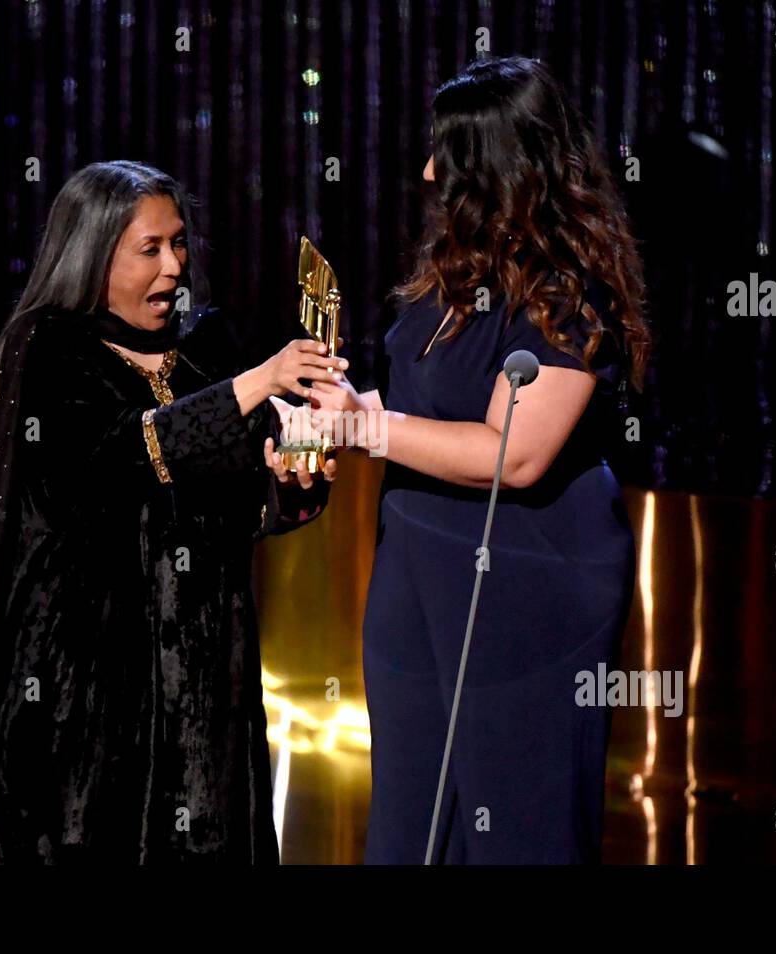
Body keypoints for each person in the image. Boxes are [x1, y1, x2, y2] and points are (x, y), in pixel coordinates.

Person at [0, 160, 342, 864]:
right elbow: (120, 456)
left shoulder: (201, 357)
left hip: (207, 702)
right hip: (87, 705)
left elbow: (241, 506)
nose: (174, 266)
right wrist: (260, 382)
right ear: (92, 254)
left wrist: (294, 482)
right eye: (150, 249)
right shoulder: (48, 350)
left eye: (179, 244)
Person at [293, 57, 652, 863]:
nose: (427, 172)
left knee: (518, 825)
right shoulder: (449, 273)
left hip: (527, 583)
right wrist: (325, 417)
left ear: (501, 166)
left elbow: (514, 457)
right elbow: (424, 414)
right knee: (410, 830)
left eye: (445, 156)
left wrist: (365, 431)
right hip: (419, 565)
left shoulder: (568, 291)